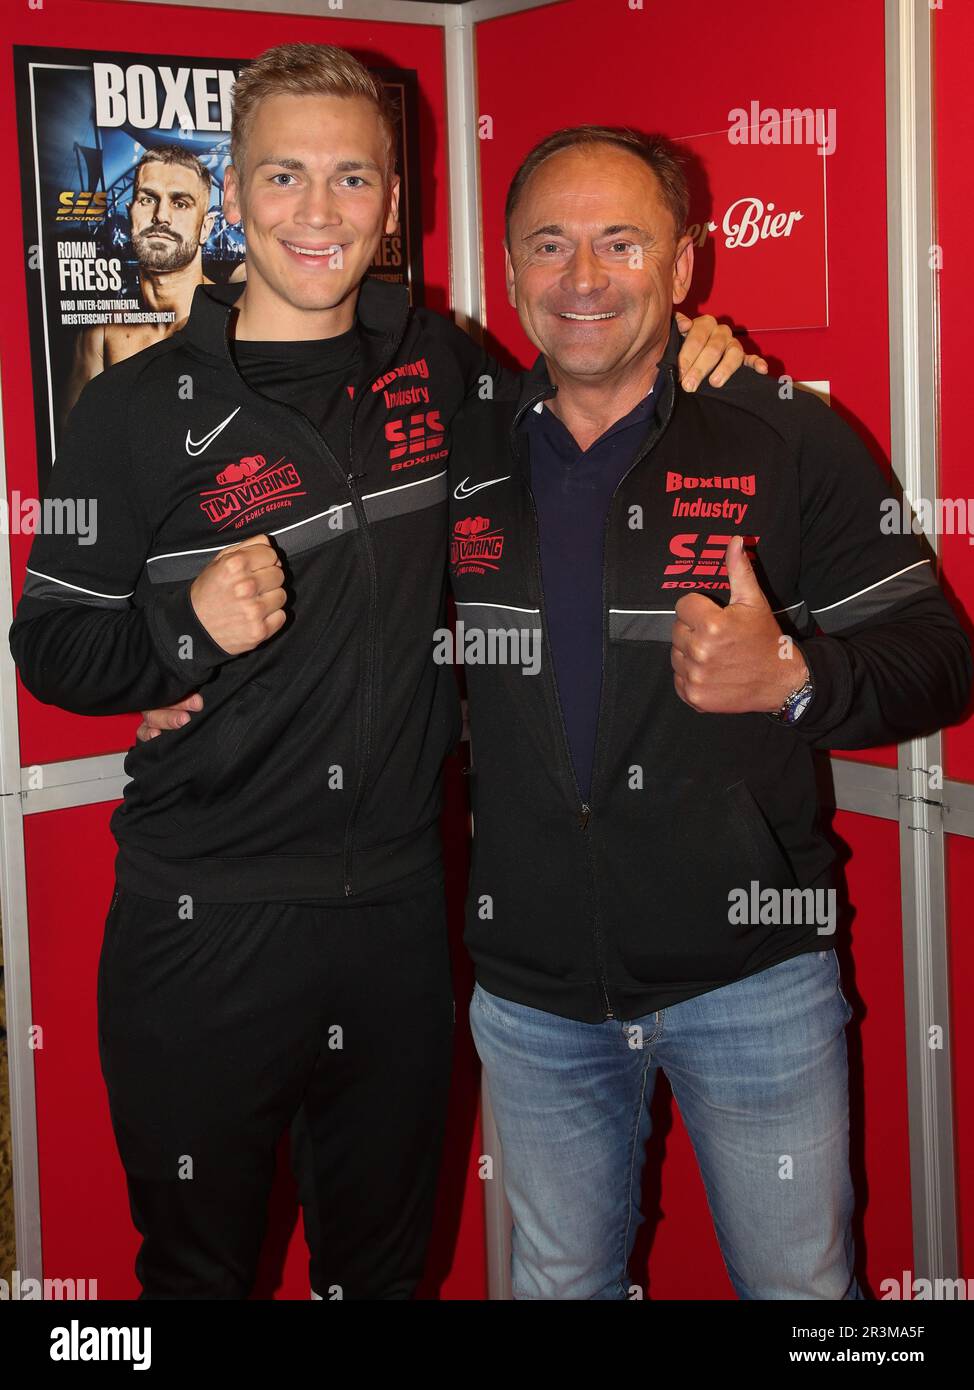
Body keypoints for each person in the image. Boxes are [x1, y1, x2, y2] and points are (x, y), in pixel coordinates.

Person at [9, 45, 753, 1301]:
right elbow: (54, 644)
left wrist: (699, 349)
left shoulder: (447, 366)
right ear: (232, 194)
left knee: (382, 1272)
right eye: (284, 176)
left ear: (393, 202)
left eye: (352, 177)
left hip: (400, 915)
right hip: (204, 922)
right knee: (194, 1275)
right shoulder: (133, 411)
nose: (318, 211)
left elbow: (592, 392)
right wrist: (183, 627)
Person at [447, 126, 972, 1299]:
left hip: (752, 978)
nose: (583, 277)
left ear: (683, 265)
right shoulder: (459, 444)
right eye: (550, 243)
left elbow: (939, 660)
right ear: (510, 263)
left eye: (621, 242)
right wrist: (194, 683)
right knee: (556, 1284)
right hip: (531, 993)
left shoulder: (783, 434)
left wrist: (791, 675)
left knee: (802, 1294)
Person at [62, 147, 218, 420]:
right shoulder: (102, 334)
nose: (161, 216)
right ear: (129, 213)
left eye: (180, 203)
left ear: (206, 227)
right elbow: (72, 450)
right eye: (147, 199)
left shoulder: (242, 320)